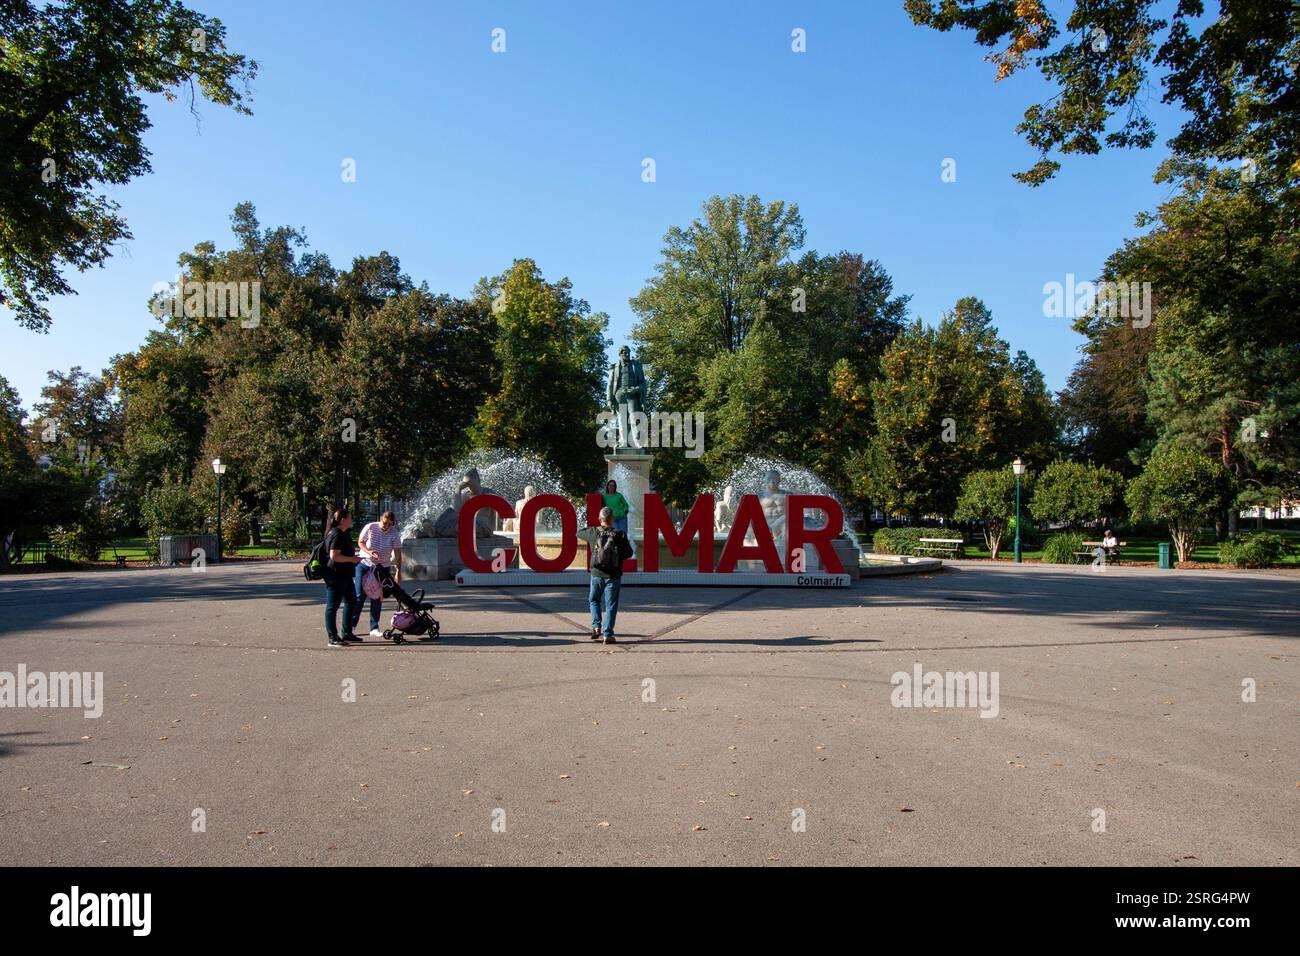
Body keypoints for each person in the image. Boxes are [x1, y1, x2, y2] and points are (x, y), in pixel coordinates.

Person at [577, 506, 633, 644]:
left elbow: (578, 533)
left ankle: (596, 627)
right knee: (611, 605)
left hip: (596, 574)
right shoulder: (620, 534)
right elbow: (629, 553)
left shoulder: (593, 532)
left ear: (599, 519)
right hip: (613, 575)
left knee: (594, 600)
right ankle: (608, 635)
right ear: (612, 519)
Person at [351, 511, 403, 638]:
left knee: (377, 597)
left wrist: (398, 571)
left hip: (382, 567)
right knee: (359, 596)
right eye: (385, 523)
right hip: (365, 564)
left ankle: (374, 627)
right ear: (381, 519)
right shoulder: (370, 527)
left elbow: (397, 554)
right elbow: (360, 542)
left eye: (389, 524)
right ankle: (351, 625)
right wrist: (369, 552)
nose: (386, 526)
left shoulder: (394, 534)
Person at [324, 508, 362, 647]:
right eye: (349, 518)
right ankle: (332, 637)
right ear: (343, 520)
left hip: (345, 574)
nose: (351, 520)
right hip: (335, 574)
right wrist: (352, 559)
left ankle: (347, 632)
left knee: (352, 601)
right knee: (332, 606)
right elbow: (334, 556)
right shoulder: (336, 534)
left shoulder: (344, 533)